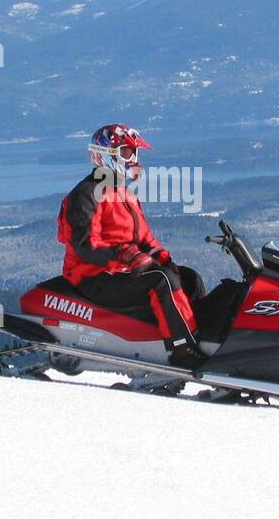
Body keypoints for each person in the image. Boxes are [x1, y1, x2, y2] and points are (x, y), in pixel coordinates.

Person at [57, 124, 207, 368]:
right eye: (127, 152)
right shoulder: (85, 195)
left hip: (120, 270)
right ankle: (183, 350)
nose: (133, 159)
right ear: (106, 154)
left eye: (135, 153)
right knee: (161, 281)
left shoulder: (125, 194)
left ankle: (201, 336)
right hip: (93, 276)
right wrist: (122, 256)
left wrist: (164, 258)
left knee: (189, 278)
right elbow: (84, 246)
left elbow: (144, 238)